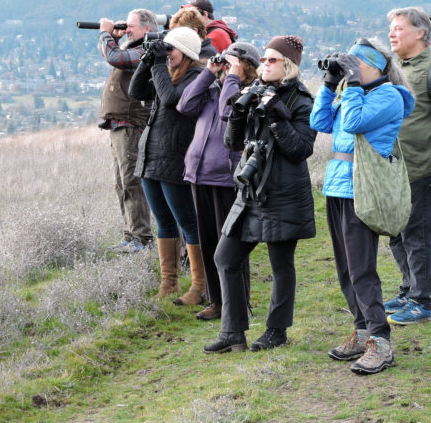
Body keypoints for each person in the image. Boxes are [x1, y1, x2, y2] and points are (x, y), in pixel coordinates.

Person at [204, 35, 316, 354]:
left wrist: (278, 117)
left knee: (281, 264)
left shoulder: (301, 100)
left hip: (283, 192)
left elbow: (300, 150)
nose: (264, 65)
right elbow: (232, 144)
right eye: (263, 59)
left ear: (288, 66)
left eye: (271, 60)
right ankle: (232, 332)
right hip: (251, 191)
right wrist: (239, 113)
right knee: (225, 257)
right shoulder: (255, 93)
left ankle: (276, 331)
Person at [310, 38, 415, 374]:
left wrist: (352, 83)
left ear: (373, 66)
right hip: (338, 187)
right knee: (345, 267)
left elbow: (353, 124)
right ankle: (362, 330)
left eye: (355, 64)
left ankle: (380, 342)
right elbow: (320, 123)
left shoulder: (387, 96)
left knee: (361, 268)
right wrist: (329, 85)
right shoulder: (354, 94)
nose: (349, 70)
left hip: (363, 189)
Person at [384, 7, 431, 325]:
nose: (392, 33)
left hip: (421, 166)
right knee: (396, 234)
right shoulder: (392, 68)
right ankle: (408, 289)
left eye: (399, 28)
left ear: (419, 33)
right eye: (391, 28)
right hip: (392, 168)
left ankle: (423, 301)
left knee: (418, 234)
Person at [176, 42, 262, 321]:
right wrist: (209, 72)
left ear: (245, 65)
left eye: (232, 62)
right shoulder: (213, 88)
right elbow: (184, 104)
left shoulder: (248, 92)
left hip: (227, 177)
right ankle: (217, 301)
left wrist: (233, 77)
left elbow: (229, 114)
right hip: (199, 174)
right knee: (209, 242)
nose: (226, 66)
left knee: (232, 244)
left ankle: (239, 303)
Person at [128, 26, 207, 305]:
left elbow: (172, 100)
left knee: (188, 222)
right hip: (151, 157)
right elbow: (136, 90)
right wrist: (149, 61)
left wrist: (159, 64)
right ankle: (169, 283)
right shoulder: (168, 72)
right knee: (163, 222)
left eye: (170, 49)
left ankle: (200, 285)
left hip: (175, 159)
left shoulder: (197, 76)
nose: (167, 53)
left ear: (185, 52)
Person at [98, 9, 157, 253]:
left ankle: (141, 238)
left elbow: (115, 58)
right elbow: (118, 55)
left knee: (132, 182)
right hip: (119, 124)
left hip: (132, 125)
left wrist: (105, 34)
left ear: (148, 29)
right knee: (121, 184)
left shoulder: (148, 50)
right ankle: (130, 234)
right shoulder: (135, 47)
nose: (128, 28)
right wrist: (119, 37)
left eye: (132, 26)